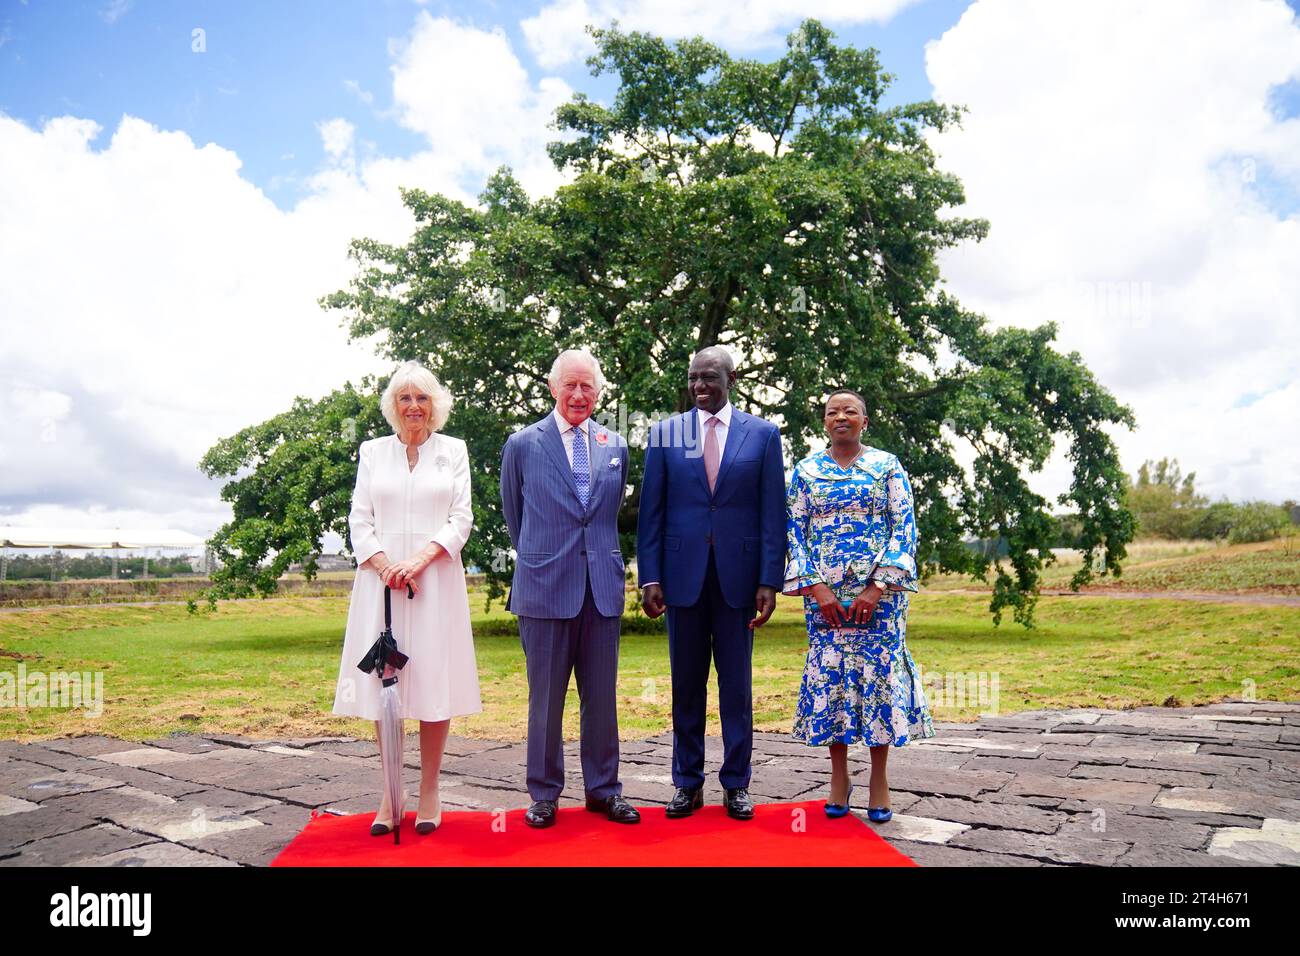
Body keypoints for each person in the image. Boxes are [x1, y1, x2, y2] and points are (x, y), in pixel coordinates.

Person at [332, 360, 481, 837]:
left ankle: (430, 791)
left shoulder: (454, 451)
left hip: (434, 583)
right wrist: (384, 566)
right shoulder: (372, 452)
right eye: (404, 398)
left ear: (435, 405)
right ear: (393, 407)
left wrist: (417, 561)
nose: (414, 406)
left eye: (422, 398)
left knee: (433, 682)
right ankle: (390, 791)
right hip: (381, 587)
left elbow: (461, 518)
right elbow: (359, 519)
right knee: (385, 685)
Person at [636, 346, 785, 820]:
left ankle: (737, 784)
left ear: (731, 378)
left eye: (709, 378)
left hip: (739, 582)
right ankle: (687, 783)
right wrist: (650, 576)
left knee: (737, 690)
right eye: (694, 379)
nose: (700, 387)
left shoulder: (763, 436)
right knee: (686, 686)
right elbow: (651, 513)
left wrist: (769, 578)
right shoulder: (665, 433)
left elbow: (771, 512)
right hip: (681, 580)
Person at [500, 348, 640, 828]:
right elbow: (515, 518)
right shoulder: (522, 443)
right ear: (552, 387)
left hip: (600, 588)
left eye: (588, 387)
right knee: (546, 700)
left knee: (601, 699)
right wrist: (544, 558)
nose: (579, 395)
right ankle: (544, 794)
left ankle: (604, 791)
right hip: (543, 587)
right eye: (570, 385)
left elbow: (603, 518)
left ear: (599, 392)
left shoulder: (614, 444)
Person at [783, 388, 935, 822]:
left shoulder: (887, 466)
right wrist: (816, 587)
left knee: (878, 679)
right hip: (824, 599)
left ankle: (879, 779)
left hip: (880, 600)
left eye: (850, 411)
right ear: (825, 422)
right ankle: (838, 776)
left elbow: (905, 525)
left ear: (865, 421)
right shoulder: (806, 471)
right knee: (833, 677)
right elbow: (793, 531)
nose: (841, 417)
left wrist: (878, 587)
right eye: (833, 412)